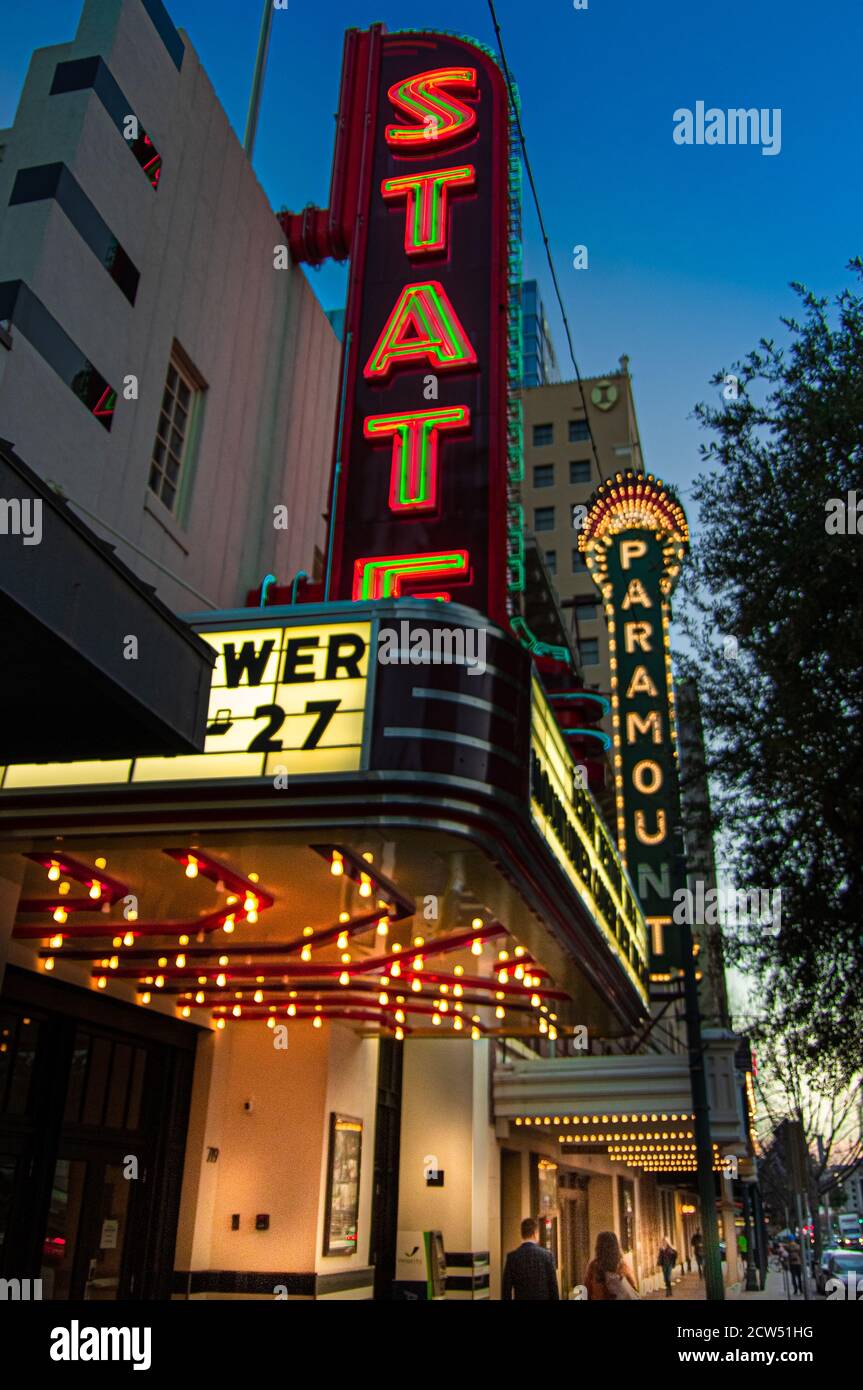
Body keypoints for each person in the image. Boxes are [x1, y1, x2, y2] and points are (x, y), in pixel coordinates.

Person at [502, 1217, 560, 1300]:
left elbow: (506, 1290)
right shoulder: (547, 1256)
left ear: (522, 1234)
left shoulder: (512, 1257)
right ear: (535, 1233)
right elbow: (553, 1288)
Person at [584, 1230, 639, 1300]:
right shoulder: (622, 1266)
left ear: (598, 1247)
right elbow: (633, 1290)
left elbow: (586, 1291)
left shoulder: (593, 1267)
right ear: (616, 1247)